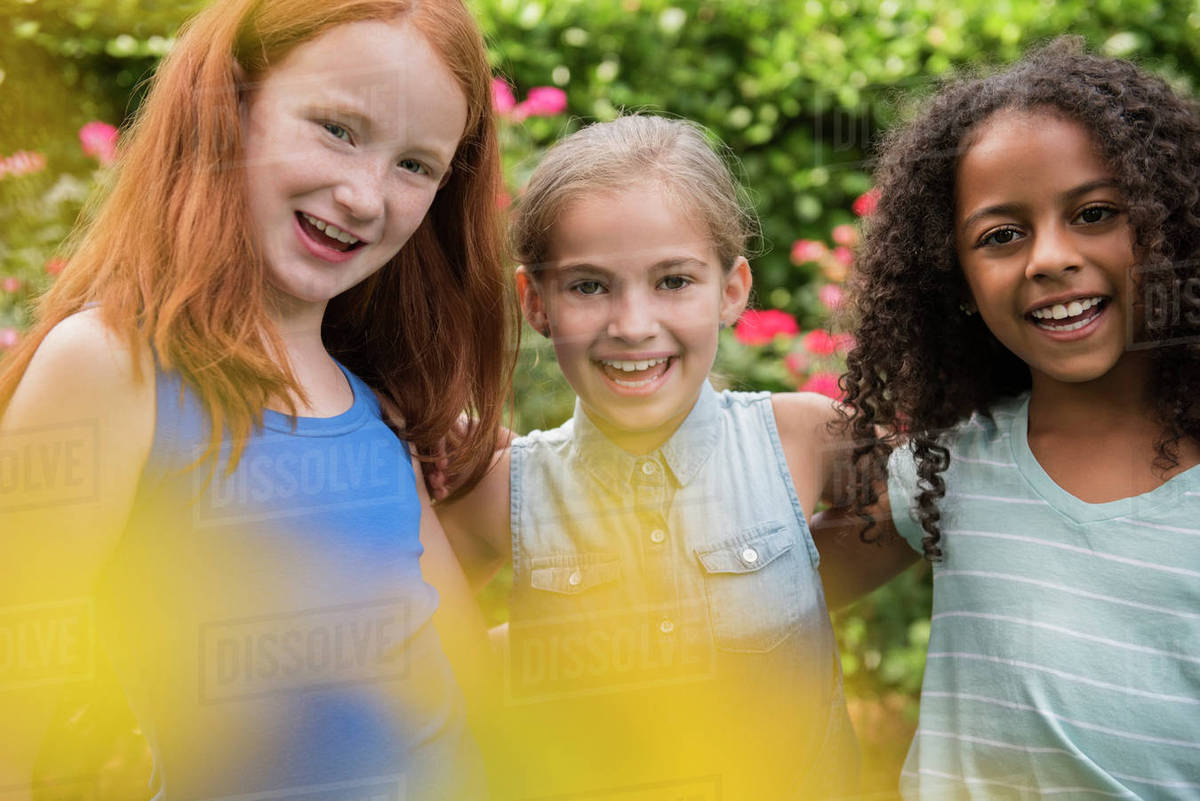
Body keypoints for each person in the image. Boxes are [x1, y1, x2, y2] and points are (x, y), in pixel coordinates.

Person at [0, 0, 514, 798]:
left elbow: (473, 697)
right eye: (339, 129)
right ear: (232, 108)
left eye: (415, 165)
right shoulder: (110, 370)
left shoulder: (377, 416)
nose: (365, 196)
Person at [438, 114, 859, 801]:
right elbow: (415, 647)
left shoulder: (802, 439)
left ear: (731, 289)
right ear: (535, 302)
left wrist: (807, 590)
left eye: (672, 281)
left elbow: (929, 504)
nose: (632, 325)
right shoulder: (504, 487)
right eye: (588, 286)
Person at [834, 37, 1200, 799]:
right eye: (1001, 235)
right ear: (957, 280)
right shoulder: (947, 468)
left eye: (1096, 213)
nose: (1049, 257)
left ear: (1170, 231)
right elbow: (766, 588)